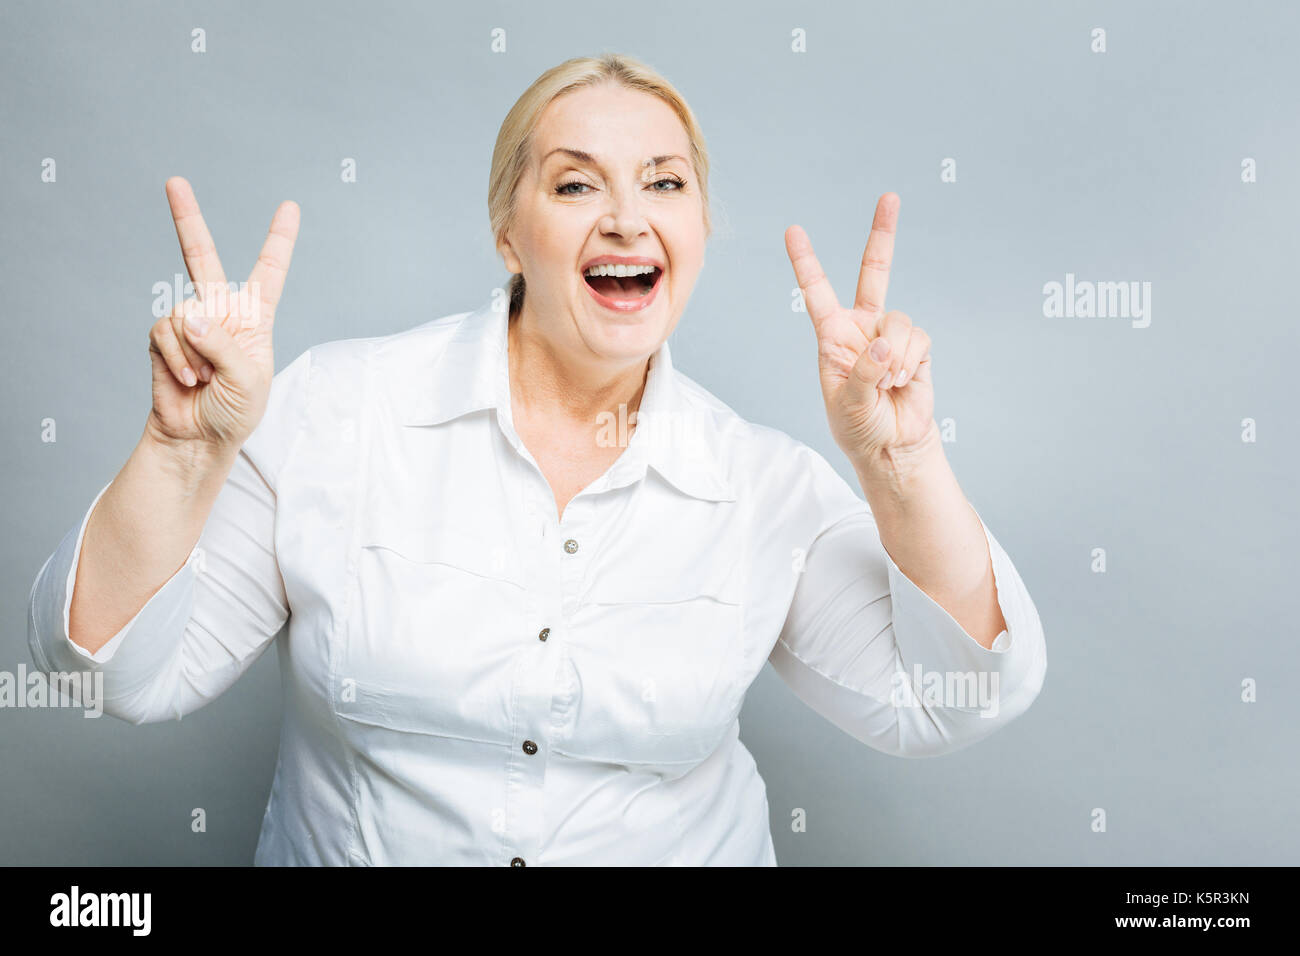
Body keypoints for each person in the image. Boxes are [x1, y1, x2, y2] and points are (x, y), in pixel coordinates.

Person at [27, 52, 1047, 866]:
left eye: (664, 182)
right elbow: (112, 674)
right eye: (574, 183)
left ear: (694, 228)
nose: (625, 215)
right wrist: (181, 449)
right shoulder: (337, 412)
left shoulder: (757, 483)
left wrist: (901, 459)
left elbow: (951, 695)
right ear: (508, 232)